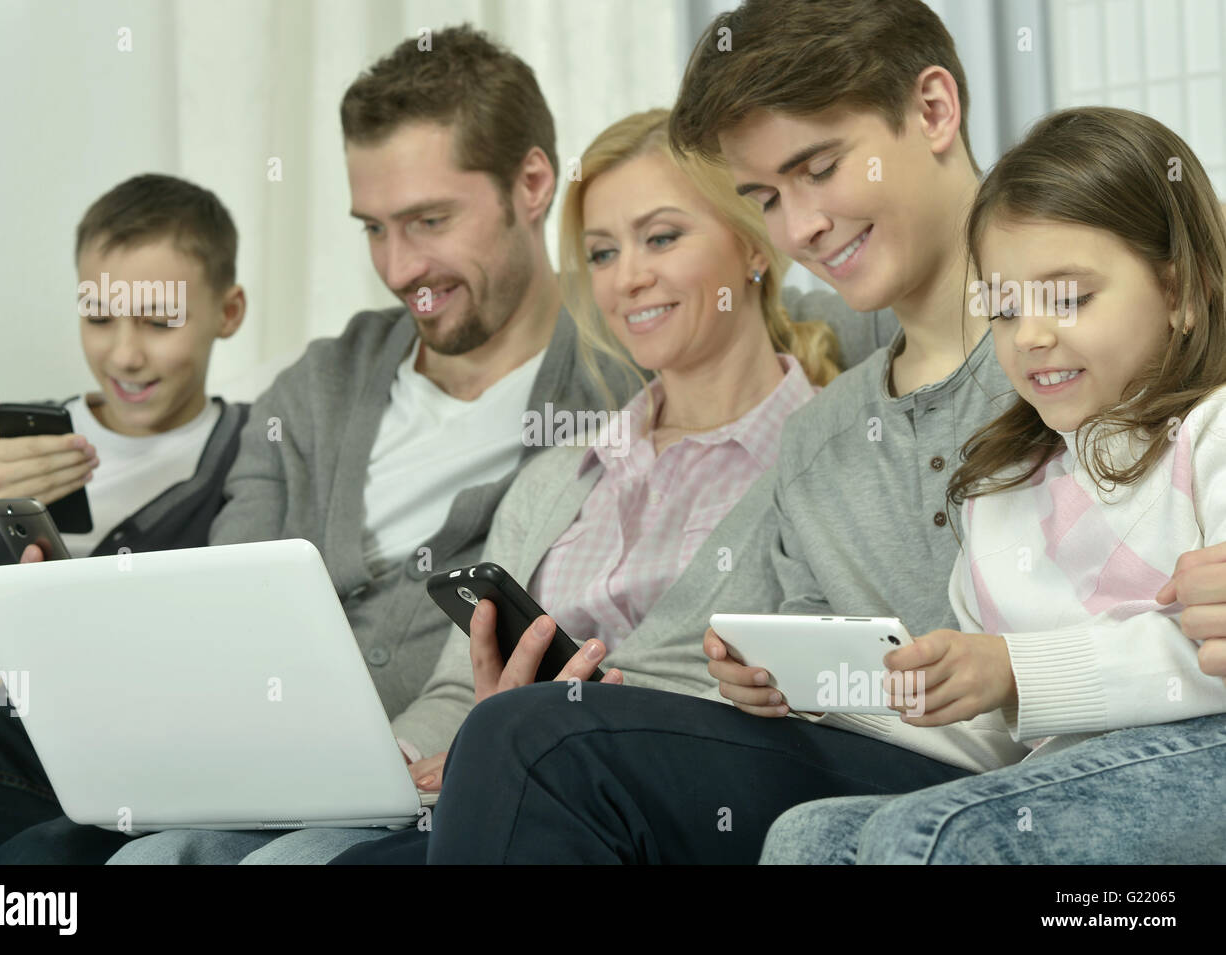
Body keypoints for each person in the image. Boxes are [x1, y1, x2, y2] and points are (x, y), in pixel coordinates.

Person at [0, 26, 884, 865]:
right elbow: (244, 602)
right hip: (361, 760)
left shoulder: (815, 434)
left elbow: (900, 326)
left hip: (576, 782)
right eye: (374, 229)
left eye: (428, 220)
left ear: (530, 188)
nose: (401, 266)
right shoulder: (511, 457)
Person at [336, 0, 1040, 866]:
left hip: (965, 778)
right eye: (767, 197)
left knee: (537, 743)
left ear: (934, 110)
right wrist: (761, 682)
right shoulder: (823, 433)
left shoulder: (1069, 349)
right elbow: (760, 659)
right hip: (823, 757)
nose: (800, 227)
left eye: (819, 169)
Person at [760, 107, 1226, 864]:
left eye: (1068, 298)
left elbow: (1208, 661)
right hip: (1055, 789)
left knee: (935, 836)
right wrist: (826, 687)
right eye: (1004, 309)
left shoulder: (1213, 434)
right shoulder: (1000, 493)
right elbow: (995, 732)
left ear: (1180, 293)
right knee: (805, 837)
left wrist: (1014, 669)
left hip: (1205, 754)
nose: (1031, 335)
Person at [0, 173, 250, 863]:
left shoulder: (250, 462)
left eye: (160, 321)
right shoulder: (0, 443)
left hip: (54, 747)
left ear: (229, 311)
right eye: (99, 316)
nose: (124, 354)